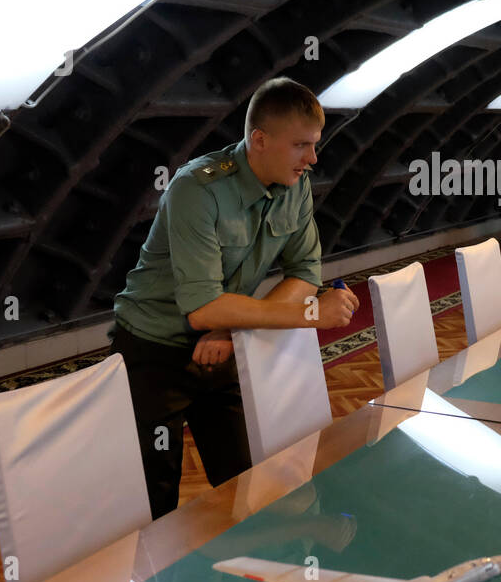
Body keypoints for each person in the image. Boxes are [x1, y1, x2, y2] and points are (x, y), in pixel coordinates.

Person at [110, 78, 359, 519]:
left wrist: (231, 325)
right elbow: (203, 307)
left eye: (315, 145)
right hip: (153, 353)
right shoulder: (197, 190)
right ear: (259, 140)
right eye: (301, 145)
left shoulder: (294, 184)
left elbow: (305, 271)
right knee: (153, 503)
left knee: (248, 480)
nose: (312, 159)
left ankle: (248, 577)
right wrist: (309, 313)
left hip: (223, 342)